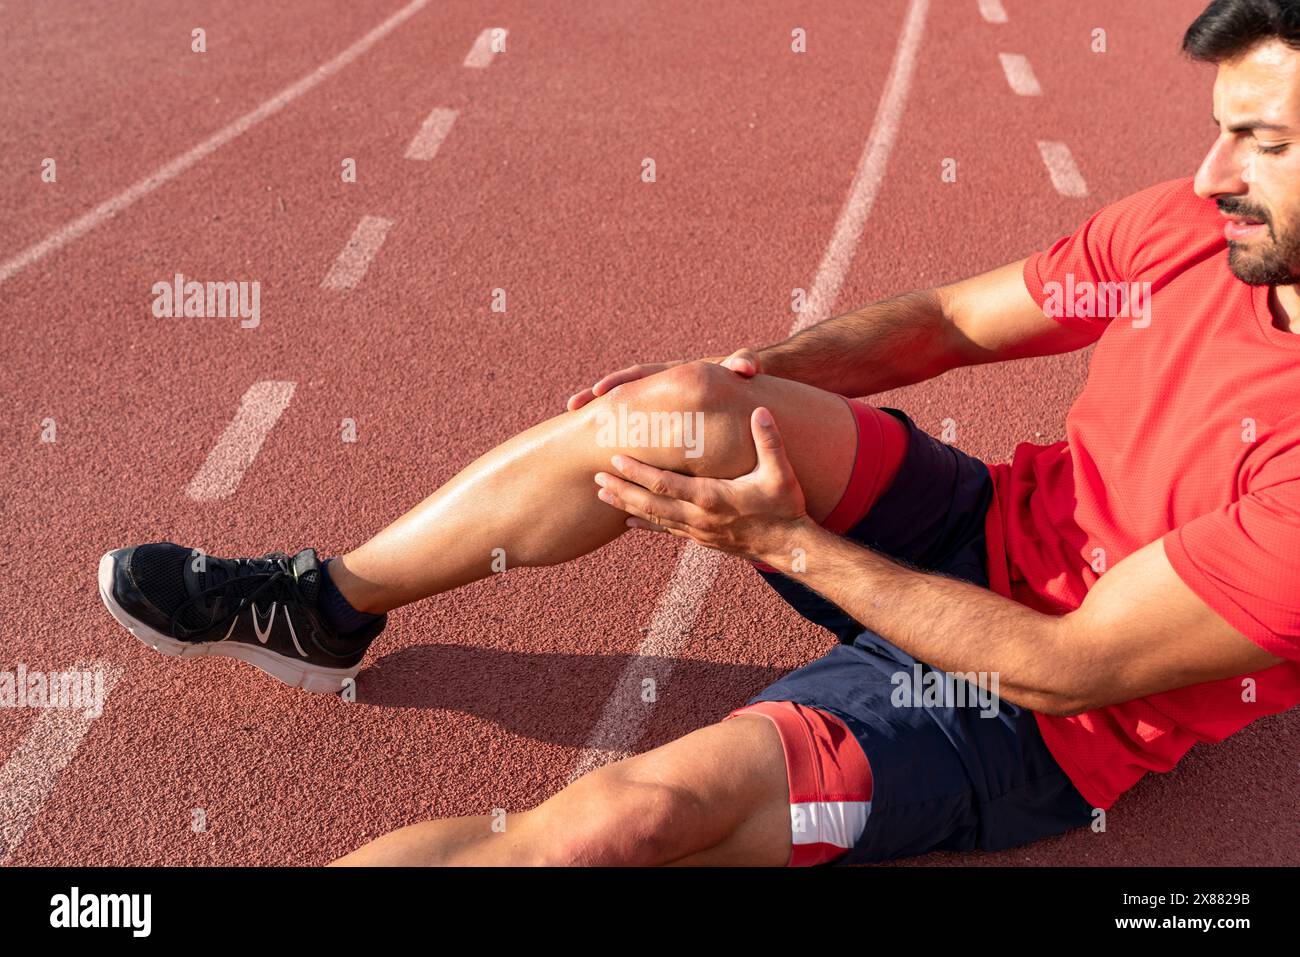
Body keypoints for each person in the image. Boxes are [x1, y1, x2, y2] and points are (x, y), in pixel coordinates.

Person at [98, 0, 1300, 866]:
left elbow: (1066, 664)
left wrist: (783, 540)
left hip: (1039, 713)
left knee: (616, 832)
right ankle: (329, 604)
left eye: (1265, 142)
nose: (1210, 174)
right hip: (981, 528)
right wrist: (746, 380)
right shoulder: (1187, 237)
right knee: (667, 413)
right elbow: (948, 322)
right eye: (1220, 127)